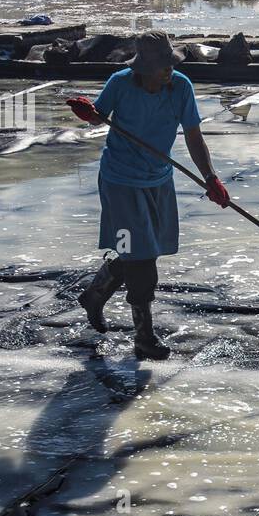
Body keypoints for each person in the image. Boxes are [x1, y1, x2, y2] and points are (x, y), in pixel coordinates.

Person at [67, 31, 230, 360]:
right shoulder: (121, 83)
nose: (167, 70)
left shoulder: (181, 87)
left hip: (158, 180)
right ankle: (144, 337)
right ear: (142, 68)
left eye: (169, 64)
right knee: (141, 259)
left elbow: (194, 136)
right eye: (160, 66)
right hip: (121, 181)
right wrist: (90, 113)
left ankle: (95, 294)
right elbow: (99, 115)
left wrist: (210, 177)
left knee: (141, 250)